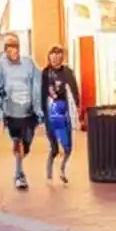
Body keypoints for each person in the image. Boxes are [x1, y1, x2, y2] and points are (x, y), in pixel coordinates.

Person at [0, 33, 42, 191]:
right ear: (5, 49)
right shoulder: (1, 66)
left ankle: (20, 155)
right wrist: (0, 113)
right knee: (19, 142)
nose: (12, 50)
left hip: (29, 110)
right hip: (12, 111)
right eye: (8, 47)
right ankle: (19, 174)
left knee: (27, 143)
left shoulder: (28, 63)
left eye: (14, 46)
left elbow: (39, 79)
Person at [41, 45, 81, 184]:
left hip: (64, 112)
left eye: (59, 57)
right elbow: (41, 93)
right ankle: (49, 173)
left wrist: (77, 106)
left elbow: (74, 90)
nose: (56, 60)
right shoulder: (45, 73)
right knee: (54, 148)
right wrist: (42, 113)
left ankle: (62, 169)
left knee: (68, 147)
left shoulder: (67, 72)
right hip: (51, 113)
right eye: (53, 57)